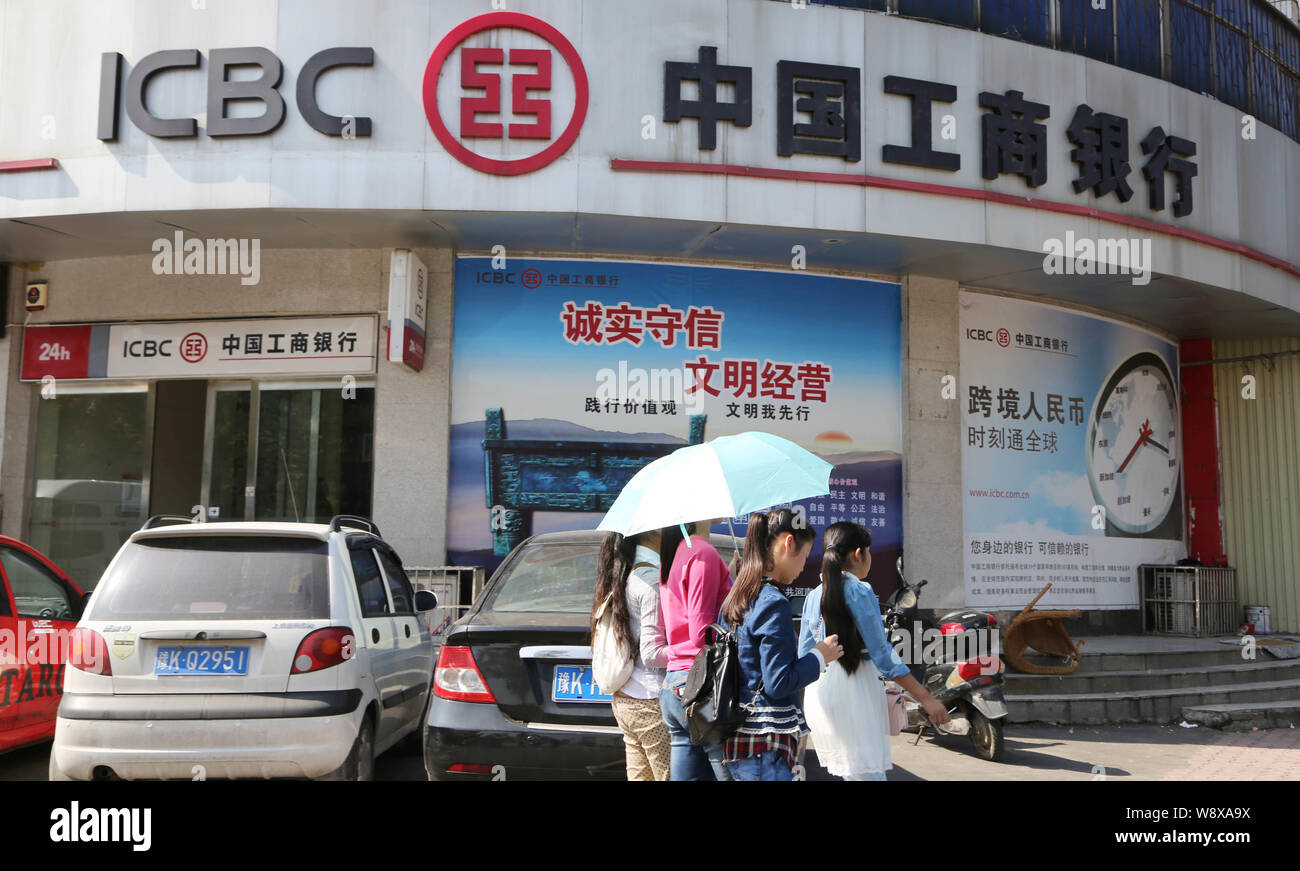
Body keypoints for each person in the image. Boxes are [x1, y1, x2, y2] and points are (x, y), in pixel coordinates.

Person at [798, 521, 949, 781]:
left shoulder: (813, 595)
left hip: (819, 695)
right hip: (854, 694)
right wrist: (926, 698)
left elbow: (803, 652)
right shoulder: (859, 590)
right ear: (859, 554)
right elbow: (883, 656)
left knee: (854, 774)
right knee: (868, 774)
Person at [719, 509, 844, 781]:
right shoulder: (773, 602)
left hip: (737, 737)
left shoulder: (735, 597)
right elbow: (778, 682)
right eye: (805, 556)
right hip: (766, 745)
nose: (803, 567)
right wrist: (819, 656)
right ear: (788, 543)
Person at [590, 528, 672, 781]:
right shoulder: (650, 580)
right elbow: (651, 653)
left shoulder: (624, 571)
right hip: (651, 701)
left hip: (625, 698)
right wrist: (694, 649)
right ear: (656, 530)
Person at [657, 518, 734, 781]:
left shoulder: (676, 551)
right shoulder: (702, 552)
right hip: (702, 687)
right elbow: (701, 633)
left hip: (675, 683)